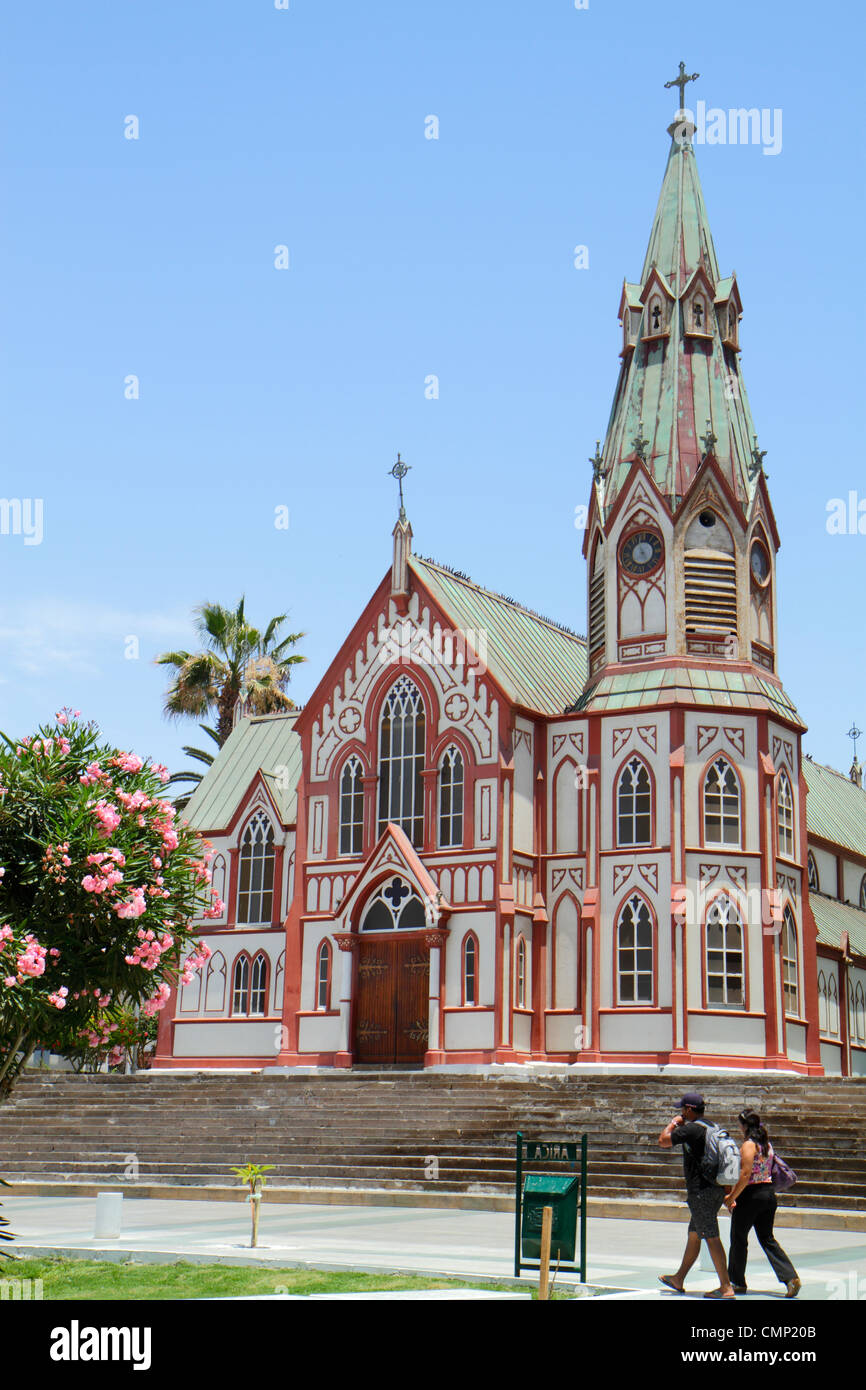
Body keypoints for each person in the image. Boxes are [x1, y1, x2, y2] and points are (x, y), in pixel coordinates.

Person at [657, 1091, 736, 1299]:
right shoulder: (712, 1126)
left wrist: (674, 1123)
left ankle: (726, 1287)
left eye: (682, 1110)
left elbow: (663, 1141)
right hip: (715, 1188)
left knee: (711, 1236)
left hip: (701, 1191)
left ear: (689, 1110)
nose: (680, 1113)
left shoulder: (692, 1129)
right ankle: (679, 1278)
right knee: (695, 1233)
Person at [724, 1109, 800, 1298]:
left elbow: (745, 1174)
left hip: (751, 1195)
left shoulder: (749, 1145)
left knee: (739, 1238)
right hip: (768, 1194)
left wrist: (731, 1197)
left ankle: (737, 1281)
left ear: (744, 1126)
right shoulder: (766, 1145)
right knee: (767, 1238)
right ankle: (790, 1277)